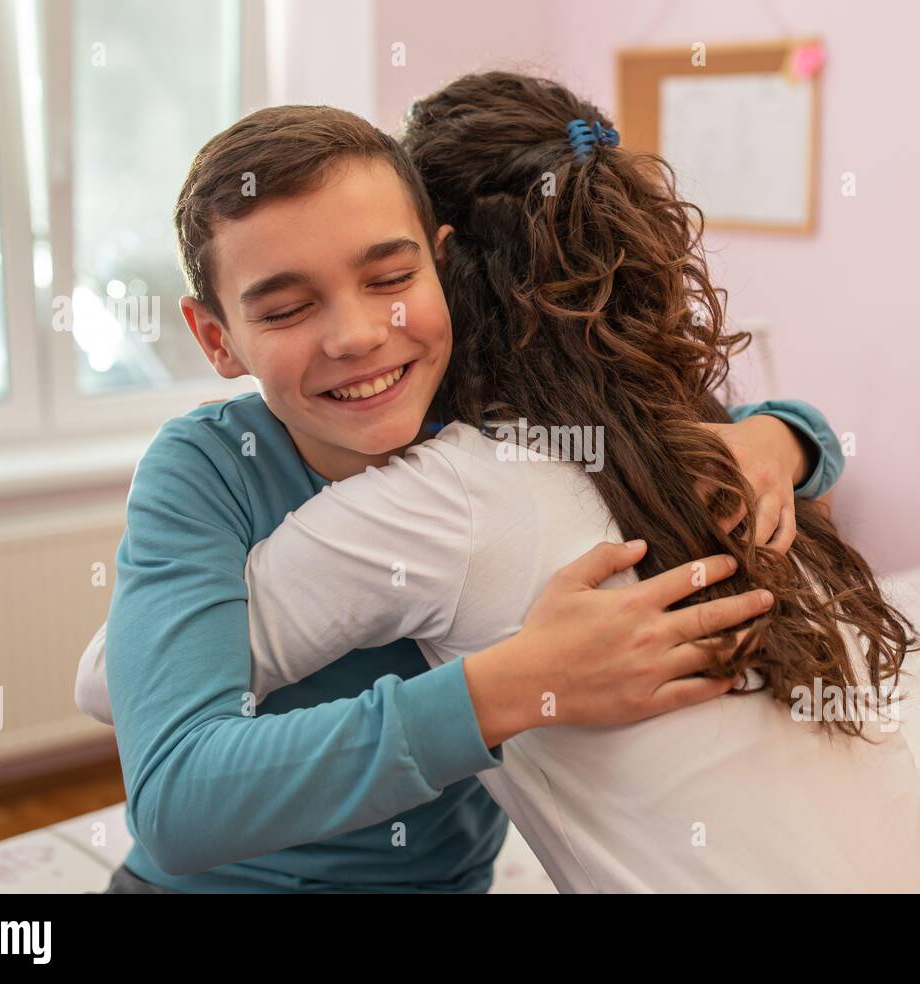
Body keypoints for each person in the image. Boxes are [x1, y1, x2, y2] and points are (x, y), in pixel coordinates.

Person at [80, 99, 844, 892]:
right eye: (286, 309)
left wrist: (781, 439)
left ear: (443, 266)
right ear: (215, 338)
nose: (358, 335)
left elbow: (747, 431)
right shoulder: (202, 473)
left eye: (390, 278)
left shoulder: (497, 418)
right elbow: (177, 801)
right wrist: (511, 688)